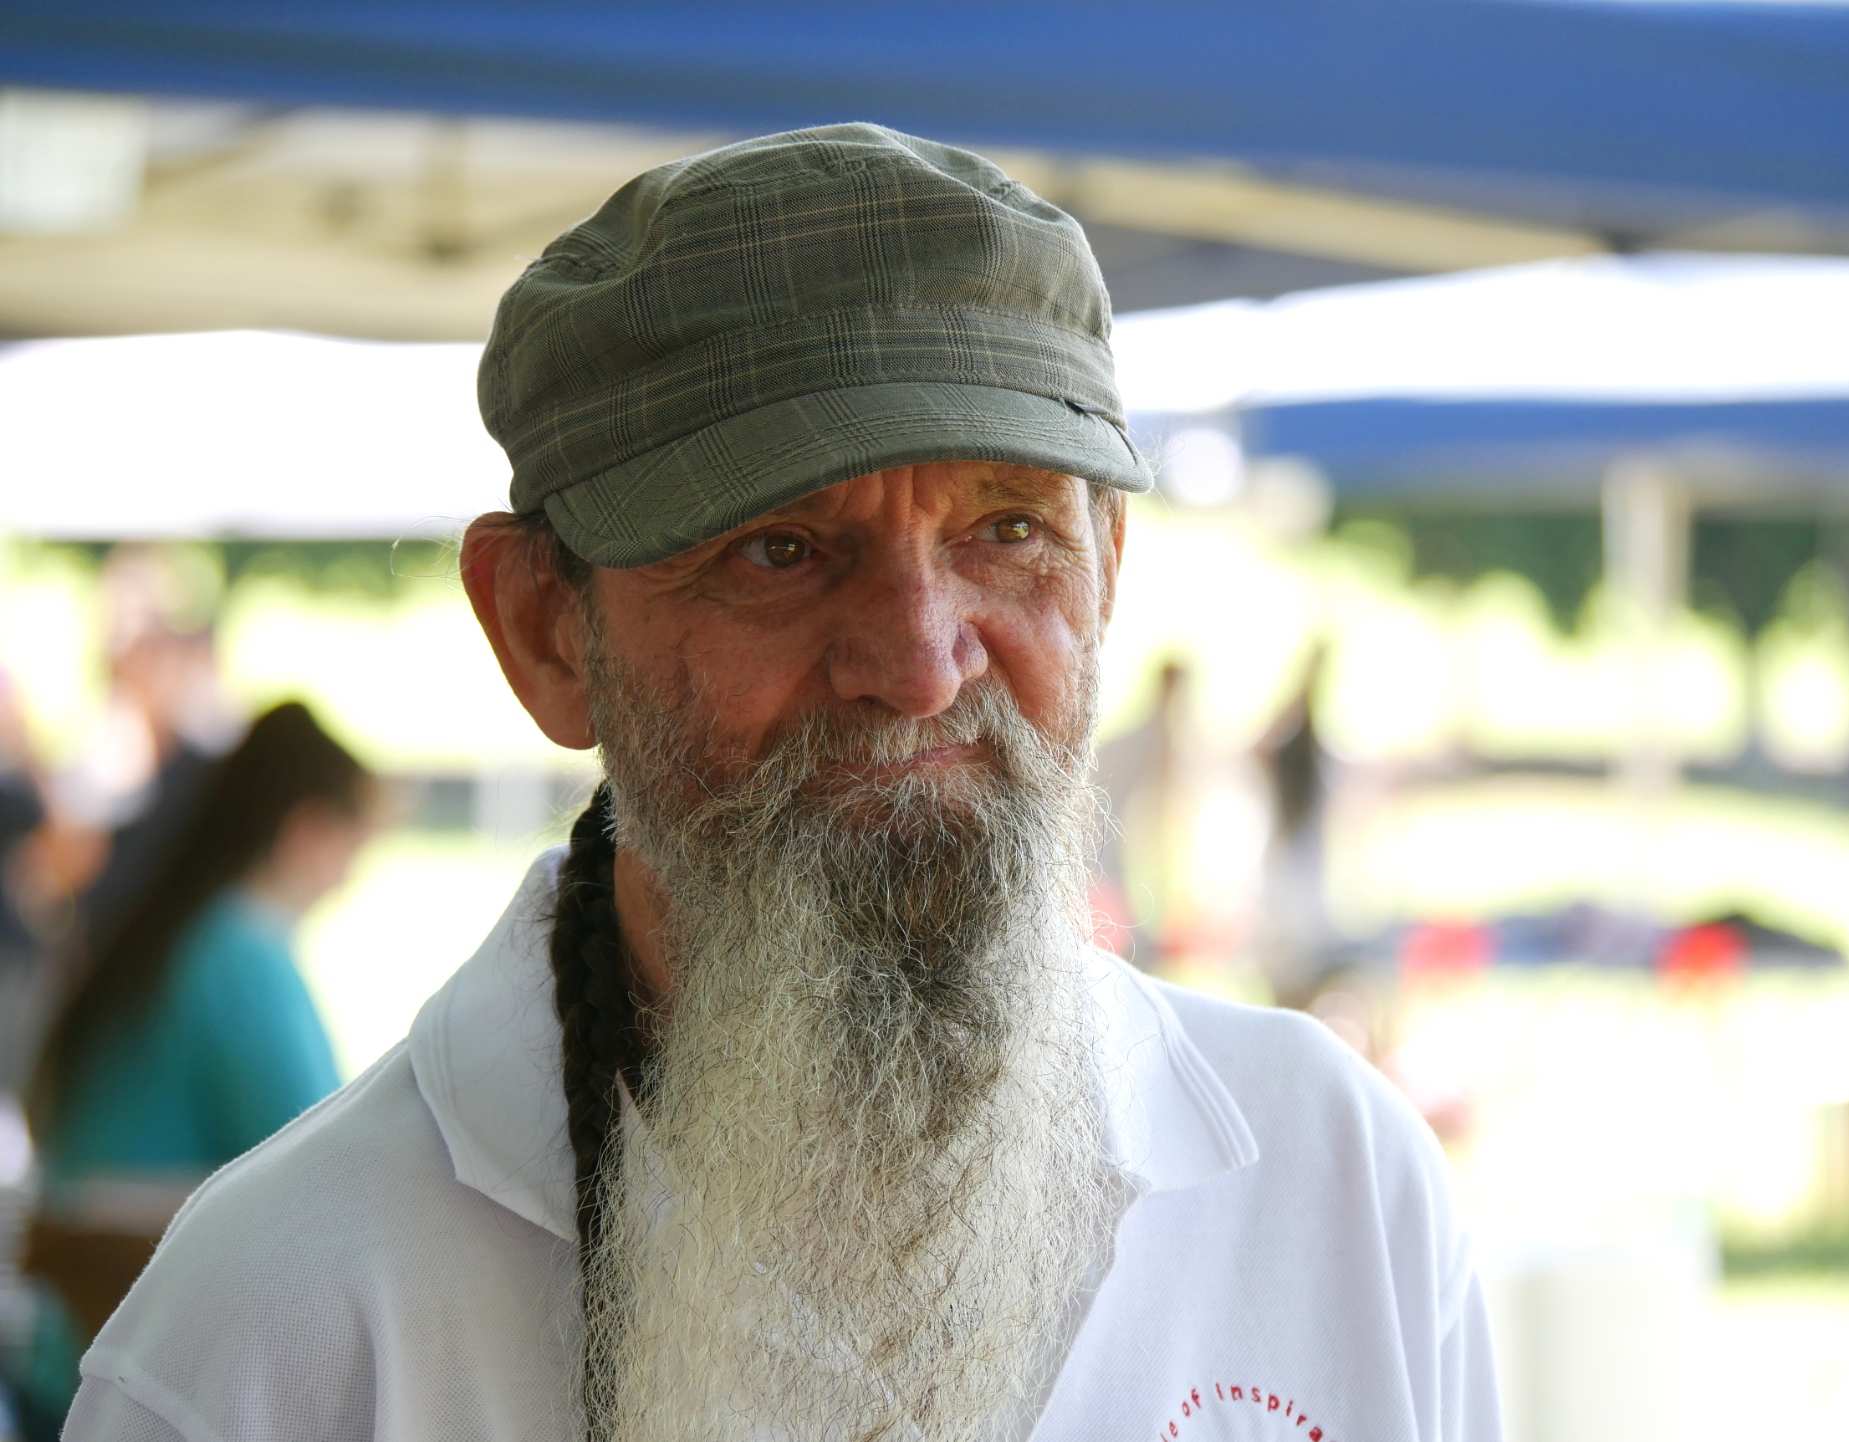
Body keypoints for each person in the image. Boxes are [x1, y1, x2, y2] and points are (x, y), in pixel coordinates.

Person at [64, 126, 1500, 1442]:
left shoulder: (1333, 1186)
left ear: (1109, 567)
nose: (921, 663)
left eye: (1008, 529)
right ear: (547, 630)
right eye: (781, 550)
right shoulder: (283, 1327)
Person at [13, 701, 371, 1437]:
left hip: (74, 1359)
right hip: (152, 1378)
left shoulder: (170, 928)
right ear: (308, 829)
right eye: (354, 846)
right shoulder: (240, 955)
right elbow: (331, 1178)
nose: (350, 879)